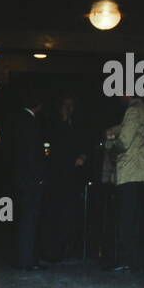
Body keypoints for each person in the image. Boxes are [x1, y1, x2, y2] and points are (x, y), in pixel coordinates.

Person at [107, 91, 144, 272]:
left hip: (130, 172)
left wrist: (110, 147)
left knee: (127, 219)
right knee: (139, 219)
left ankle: (129, 261)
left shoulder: (132, 111)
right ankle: (140, 261)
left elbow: (124, 142)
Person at [43, 94, 89, 262]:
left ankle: (64, 247)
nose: (70, 109)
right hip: (57, 177)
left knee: (68, 214)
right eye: (66, 105)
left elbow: (80, 144)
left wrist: (82, 155)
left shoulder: (75, 126)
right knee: (55, 214)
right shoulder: (55, 125)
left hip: (70, 178)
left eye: (72, 105)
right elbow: (55, 150)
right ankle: (53, 250)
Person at [10, 91, 48, 270]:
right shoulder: (31, 123)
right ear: (38, 105)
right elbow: (33, 155)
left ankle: (23, 258)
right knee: (30, 220)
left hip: (19, 178)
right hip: (30, 180)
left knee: (23, 218)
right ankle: (27, 260)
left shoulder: (17, 121)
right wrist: (39, 177)